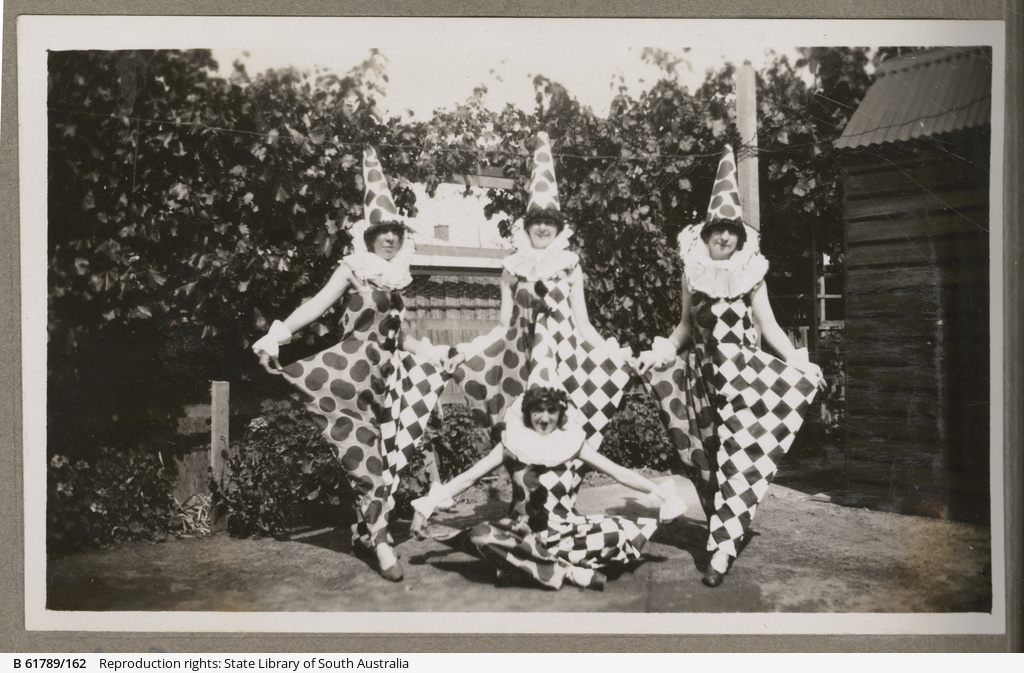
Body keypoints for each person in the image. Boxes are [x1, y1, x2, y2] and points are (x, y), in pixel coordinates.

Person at [250, 147, 450, 582]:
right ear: (368, 235)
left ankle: (363, 532)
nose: (390, 238)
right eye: (382, 232)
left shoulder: (398, 280)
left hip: (389, 378)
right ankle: (381, 545)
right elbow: (315, 306)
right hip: (351, 373)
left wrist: (432, 354)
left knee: (388, 458)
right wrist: (276, 337)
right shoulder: (354, 270)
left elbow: (400, 337)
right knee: (364, 459)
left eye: (396, 231)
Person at [634, 145, 825, 588]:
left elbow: (771, 329)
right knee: (709, 463)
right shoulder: (692, 273)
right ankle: (726, 527)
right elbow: (683, 328)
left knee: (741, 458)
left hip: (746, 379)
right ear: (705, 233)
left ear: (741, 236)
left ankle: (719, 552)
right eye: (717, 229)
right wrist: (662, 353)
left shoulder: (751, 274)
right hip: (702, 381)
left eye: (731, 230)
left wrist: (798, 362)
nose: (724, 237)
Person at [411, 364, 687, 591]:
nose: (544, 418)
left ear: (560, 412)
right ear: (528, 411)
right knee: (482, 535)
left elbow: (618, 472)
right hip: (520, 532)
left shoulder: (572, 443)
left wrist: (664, 495)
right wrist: (426, 507)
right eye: (537, 410)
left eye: (551, 410)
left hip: (565, 532)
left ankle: (523, 568)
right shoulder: (511, 444)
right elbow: (468, 478)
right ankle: (567, 571)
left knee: (616, 533)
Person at [445, 131, 631, 455]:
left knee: (565, 433)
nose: (543, 228)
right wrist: (466, 352)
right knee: (522, 433)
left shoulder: (570, 266)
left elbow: (584, 326)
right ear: (527, 225)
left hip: (565, 361)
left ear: (559, 227)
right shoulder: (512, 268)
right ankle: (524, 502)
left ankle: (562, 501)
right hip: (523, 360)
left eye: (549, 222)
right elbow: (502, 327)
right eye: (537, 221)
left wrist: (614, 354)